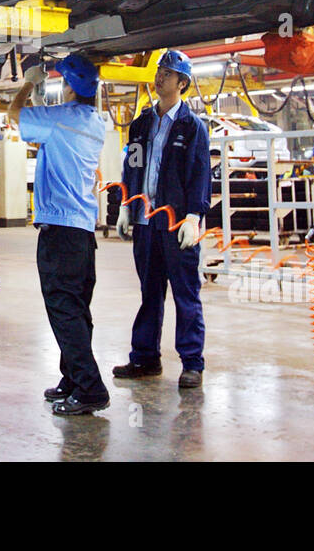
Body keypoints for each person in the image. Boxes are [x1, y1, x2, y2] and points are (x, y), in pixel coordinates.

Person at [7, 53, 110, 416]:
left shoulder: (60, 119)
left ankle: (91, 389)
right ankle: (72, 378)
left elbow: (14, 117)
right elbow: (49, 132)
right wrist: (43, 98)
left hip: (60, 234)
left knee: (63, 310)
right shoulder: (94, 122)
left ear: (67, 86)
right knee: (77, 309)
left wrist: (29, 83)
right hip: (83, 233)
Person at [113, 50, 211, 388]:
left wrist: (194, 216)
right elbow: (133, 166)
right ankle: (145, 358)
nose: (158, 78)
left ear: (182, 83)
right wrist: (125, 205)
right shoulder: (141, 124)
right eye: (158, 72)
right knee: (149, 292)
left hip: (176, 223)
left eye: (166, 74)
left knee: (185, 293)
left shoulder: (192, 127)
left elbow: (200, 172)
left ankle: (192, 363)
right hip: (146, 221)